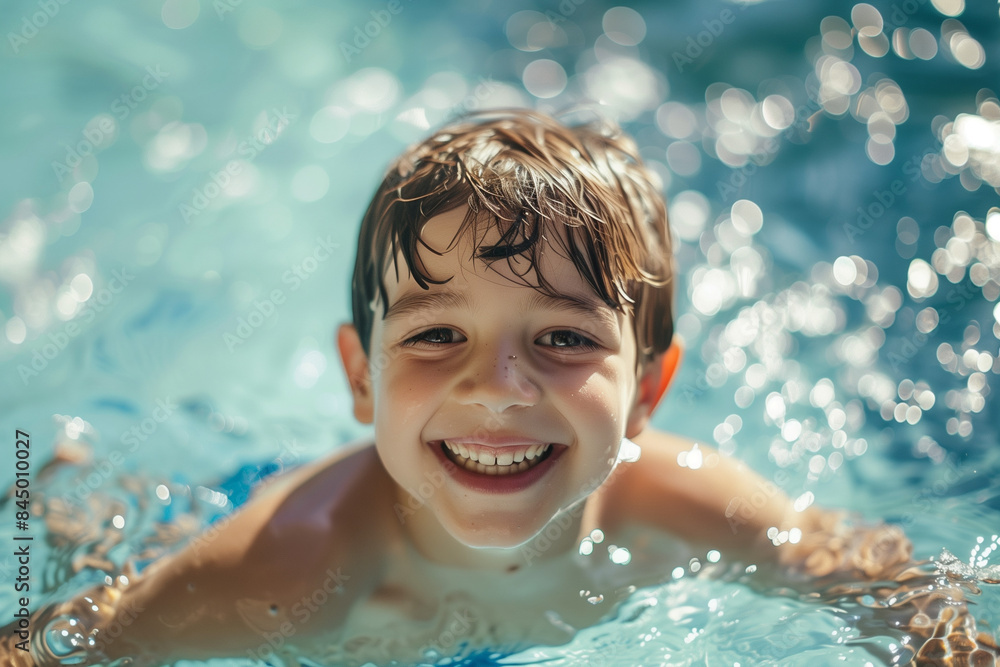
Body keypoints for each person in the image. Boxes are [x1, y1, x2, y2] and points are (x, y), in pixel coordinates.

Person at [4, 109, 997, 666]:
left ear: (650, 388)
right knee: (92, 554)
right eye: (437, 334)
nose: (497, 386)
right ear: (361, 375)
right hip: (242, 500)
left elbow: (898, 593)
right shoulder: (288, 569)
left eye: (562, 337)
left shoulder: (690, 507)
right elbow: (69, 647)